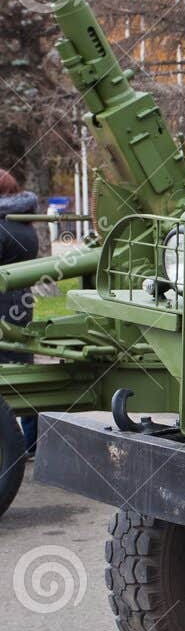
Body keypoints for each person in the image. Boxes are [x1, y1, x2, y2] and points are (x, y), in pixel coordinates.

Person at [0, 166, 41, 452]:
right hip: (22, 299)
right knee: (22, 366)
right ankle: (31, 440)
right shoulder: (25, 223)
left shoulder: (3, 226)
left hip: (2, 298)